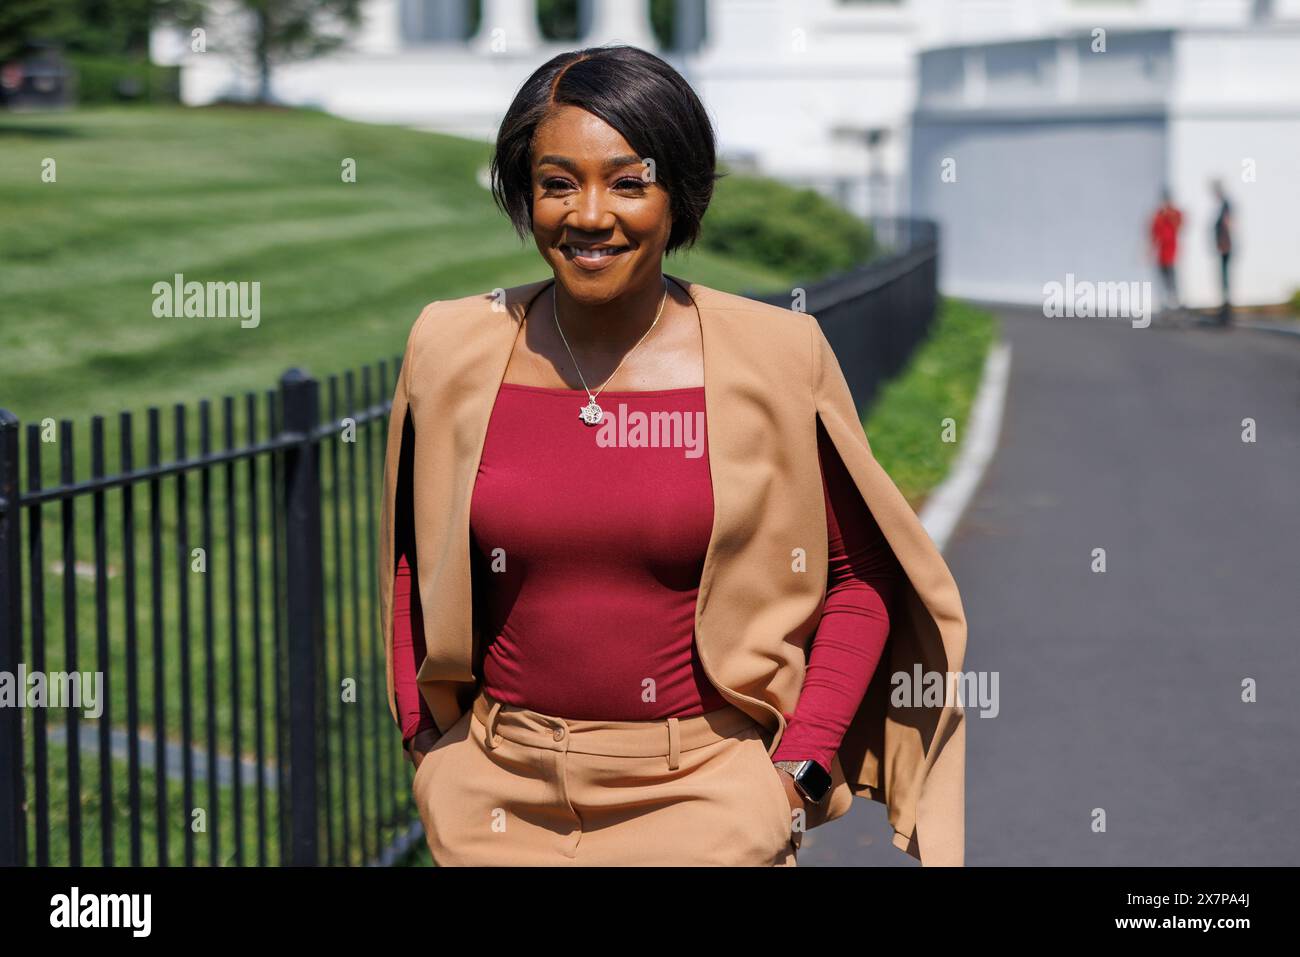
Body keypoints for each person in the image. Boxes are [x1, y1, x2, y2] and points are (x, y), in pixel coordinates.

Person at [379, 45, 967, 866]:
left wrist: (791, 773)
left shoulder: (776, 353)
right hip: (494, 802)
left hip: (704, 801)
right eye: (557, 182)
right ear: (524, 194)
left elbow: (859, 576)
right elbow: (414, 556)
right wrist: (430, 748)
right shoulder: (451, 342)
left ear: (678, 193)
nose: (589, 214)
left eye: (629, 181)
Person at [1149, 189, 1183, 317]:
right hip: (1161, 253)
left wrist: (1168, 215)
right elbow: (1154, 231)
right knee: (1163, 279)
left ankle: (1174, 304)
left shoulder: (1173, 213)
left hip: (1171, 252)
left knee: (1172, 279)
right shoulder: (1159, 214)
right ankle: (1165, 305)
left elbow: (1179, 224)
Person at [1211, 180, 1234, 326]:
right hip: (1223, 246)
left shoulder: (1225, 205)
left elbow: (1228, 224)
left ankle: (1226, 312)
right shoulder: (1223, 205)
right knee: (1223, 279)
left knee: (1225, 279)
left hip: (1225, 247)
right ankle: (1224, 310)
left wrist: (1224, 243)